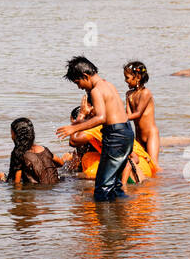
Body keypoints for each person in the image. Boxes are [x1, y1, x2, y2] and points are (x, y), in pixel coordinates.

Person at [55, 56, 132, 202]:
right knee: (115, 185)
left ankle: (107, 223)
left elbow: (101, 117)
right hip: (126, 132)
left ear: (85, 76)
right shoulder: (108, 85)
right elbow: (106, 115)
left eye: (78, 82)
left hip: (115, 136)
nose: (79, 87)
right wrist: (81, 120)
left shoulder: (96, 90)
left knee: (102, 189)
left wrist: (74, 128)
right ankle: (122, 216)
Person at [56, 105, 154, 184]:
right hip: (136, 164)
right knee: (76, 157)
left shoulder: (95, 129)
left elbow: (73, 141)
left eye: (74, 122)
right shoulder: (99, 128)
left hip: (138, 168)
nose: (72, 126)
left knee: (87, 159)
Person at [123, 60, 160, 176]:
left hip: (150, 135)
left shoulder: (146, 93)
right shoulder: (129, 94)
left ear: (138, 77)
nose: (125, 80)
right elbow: (128, 115)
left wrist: (118, 117)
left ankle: (161, 187)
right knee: (143, 164)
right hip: (138, 135)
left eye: (127, 77)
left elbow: (137, 114)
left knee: (154, 165)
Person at [0, 117, 58, 185]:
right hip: (55, 186)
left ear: (17, 136)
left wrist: (3, 178)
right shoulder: (44, 149)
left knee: (0, 175)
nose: (11, 137)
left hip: (40, 191)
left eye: (12, 133)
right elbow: (61, 163)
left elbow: (17, 183)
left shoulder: (19, 154)